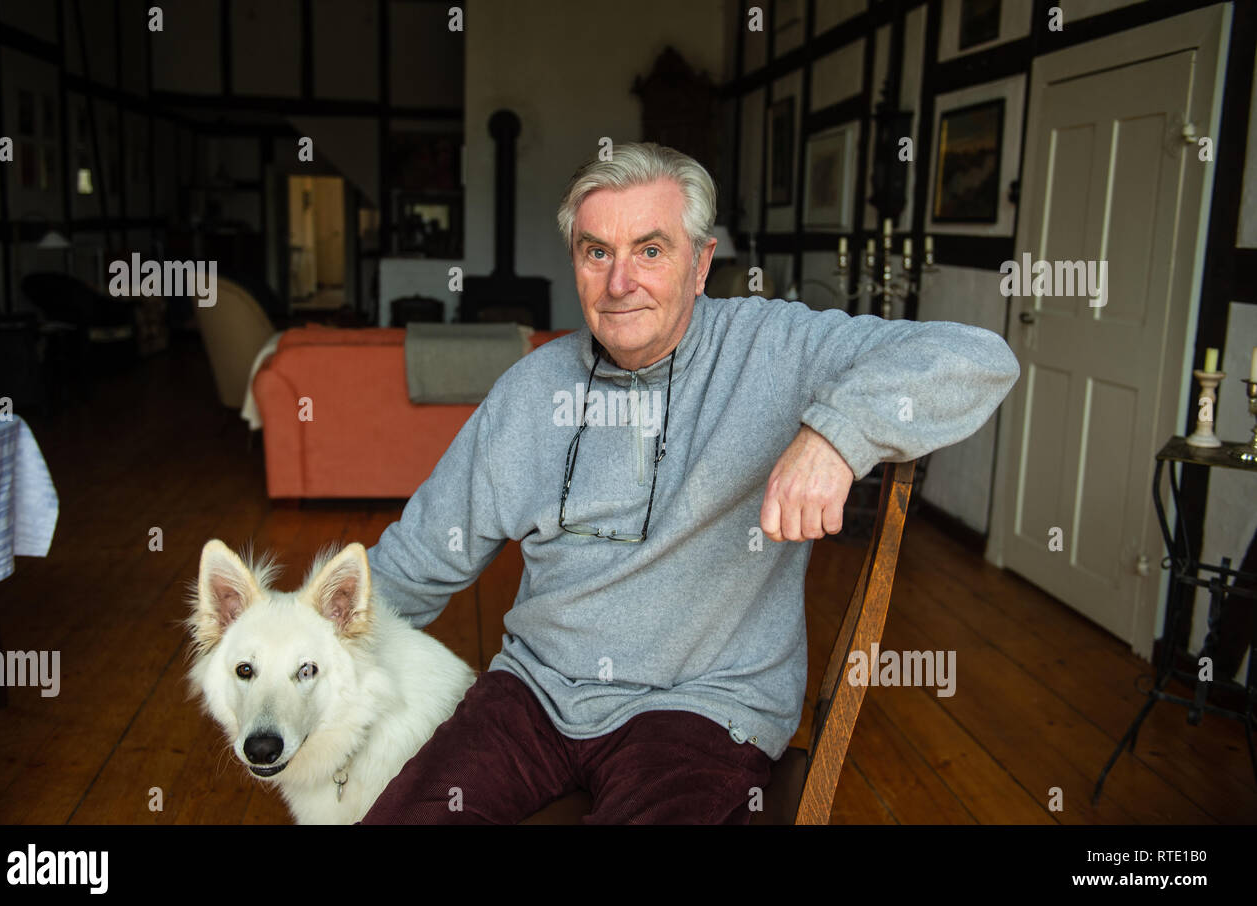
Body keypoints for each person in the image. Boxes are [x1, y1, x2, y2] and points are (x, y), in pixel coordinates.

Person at [359, 142, 1019, 824]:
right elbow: (418, 561)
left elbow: (976, 356)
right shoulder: (531, 389)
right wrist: (289, 643)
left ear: (701, 264)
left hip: (700, 706)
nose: (620, 283)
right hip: (535, 690)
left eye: (650, 251)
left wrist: (834, 436)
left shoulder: (773, 349)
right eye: (596, 253)